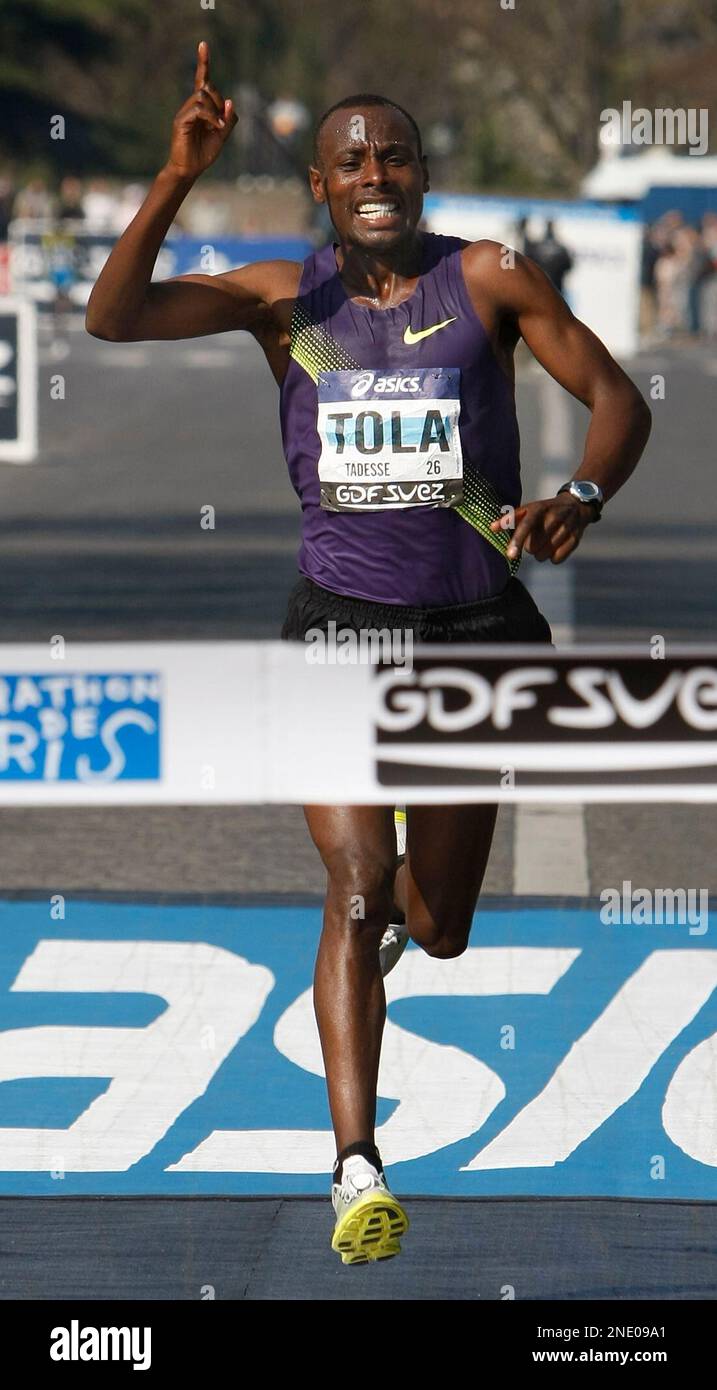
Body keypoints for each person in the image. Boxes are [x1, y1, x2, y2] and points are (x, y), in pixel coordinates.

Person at [86, 40, 652, 1266]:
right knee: (352, 889)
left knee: (437, 923)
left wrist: (582, 495)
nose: (374, 171)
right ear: (324, 185)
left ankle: (398, 931)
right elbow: (114, 316)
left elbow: (618, 398)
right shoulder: (285, 298)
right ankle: (358, 1165)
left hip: (477, 638)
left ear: (424, 173)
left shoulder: (492, 280)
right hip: (335, 632)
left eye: (394, 153)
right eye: (351, 160)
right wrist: (178, 176)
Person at [528, 219, 573, 297]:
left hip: (540, 287)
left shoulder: (536, 247)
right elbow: (568, 266)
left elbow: (528, 264)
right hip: (556, 289)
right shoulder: (560, 248)